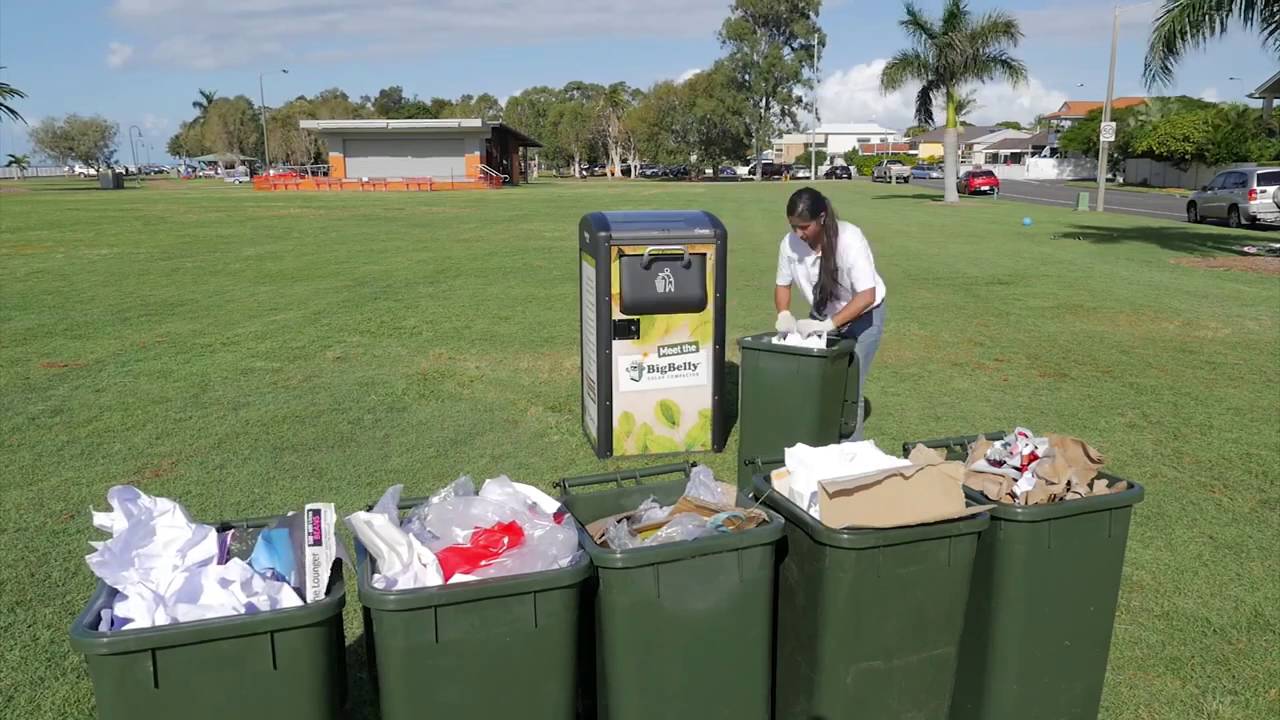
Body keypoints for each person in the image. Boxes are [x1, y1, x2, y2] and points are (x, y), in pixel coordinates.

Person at [774, 186, 887, 440]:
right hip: (824, 312)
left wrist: (828, 326)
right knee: (815, 380)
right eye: (793, 226)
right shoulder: (789, 244)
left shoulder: (850, 239)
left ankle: (848, 454)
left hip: (864, 316)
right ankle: (816, 438)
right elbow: (783, 284)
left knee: (848, 387)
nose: (798, 233)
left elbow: (866, 296)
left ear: (821, 218)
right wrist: (783, 313)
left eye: (804, 227)